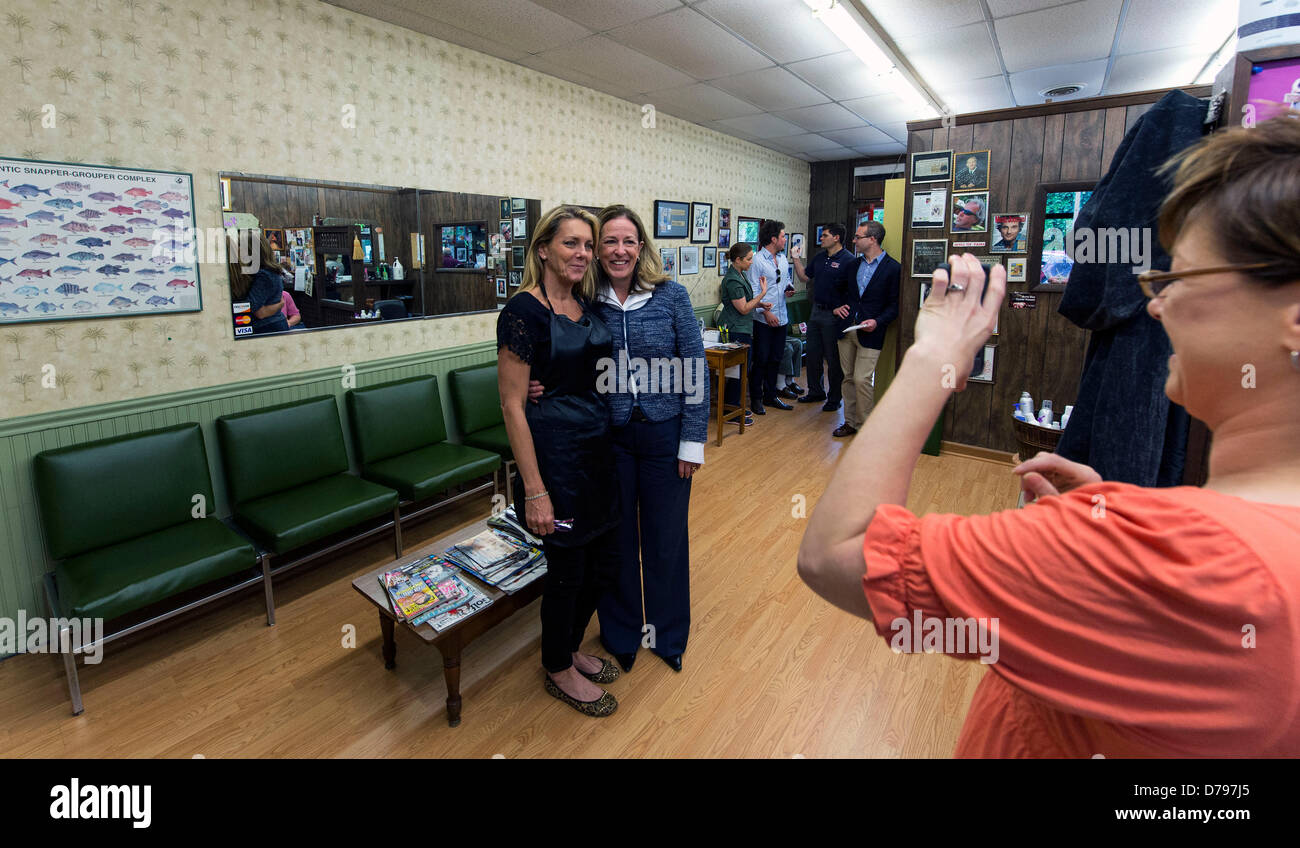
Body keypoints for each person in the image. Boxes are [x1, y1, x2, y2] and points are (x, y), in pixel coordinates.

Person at [797, 118, 1300, 756]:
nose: (1156, 305)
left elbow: (834, 555)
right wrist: (1108, 533)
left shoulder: (1173, 557)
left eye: (1183, 279)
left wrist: (934, 358)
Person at [496, 205, 622, 718]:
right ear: (544, 248)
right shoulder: (522, 312)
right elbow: (510, 403)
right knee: (567, 568)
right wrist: (535, 489)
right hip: (556, 458)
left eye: (588, 245)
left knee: (604, 563)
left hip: (598, 451)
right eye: (572, 243)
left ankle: (570, 644)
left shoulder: (587, 302)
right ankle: (556, 665)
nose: (584, 254)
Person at [584, 204, 709, 674]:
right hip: (610, 440)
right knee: (616, 540)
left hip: (665, 435)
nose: (619, 250)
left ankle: (668, 635)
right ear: (598, 250)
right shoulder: (587, 300)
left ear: (641, 248)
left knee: (665, 539)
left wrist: (692, 442)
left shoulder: (670, 296)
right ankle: (621, 635)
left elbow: (694, 370)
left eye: (628, 241)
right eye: (609, 242)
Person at [833, 221, 900, 437]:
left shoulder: (893, 268)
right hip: (846, 329)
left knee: (862, 379)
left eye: (857, 237)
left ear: (872, 239)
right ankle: (850, 422)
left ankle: (867, 427)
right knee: (848, 377)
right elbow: (839, 292)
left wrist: (877, 322)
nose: (853, 240)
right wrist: (837, 307)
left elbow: (895, 306)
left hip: (871, 332)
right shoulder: (852, 265)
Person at [791, 223, 858, 412]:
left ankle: (834, 398)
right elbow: (804, 277)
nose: (821, 238)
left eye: (825, 235)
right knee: (812, 355)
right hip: (815, 312)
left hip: (833, 315)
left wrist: (842, 308)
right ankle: (815, 391)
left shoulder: (849, 261)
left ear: (836, 238)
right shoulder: (820, 258)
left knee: (833, 359)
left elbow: (854, 291)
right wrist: (795, 258)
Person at [718, 241, 771, 423]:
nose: (751, 263)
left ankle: (732, 406)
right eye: (748, 259)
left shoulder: (740, 274)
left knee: (742, 370)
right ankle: (730, 409)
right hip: (735, 330)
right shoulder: (733, 280)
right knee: (737, 371)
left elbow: (747, 302)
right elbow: (743, 309)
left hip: (742, 328)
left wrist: (760, 304)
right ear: (738, 260)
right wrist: (762, 294)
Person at [746, 219, 793, 414]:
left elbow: (786, 280)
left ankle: (771, 395)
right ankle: (756, 398)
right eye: (783, 236)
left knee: (776, 357)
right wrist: (765, 312)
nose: (785, 239)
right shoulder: (757, 260)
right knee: (762, 358)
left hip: (782, 316)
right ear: (773, 239)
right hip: (763, 319)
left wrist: (789, 288)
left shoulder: (782, 259)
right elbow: (753, 290)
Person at [227, 230, 288, 334]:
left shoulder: (265, 275)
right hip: (269, 325)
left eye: (239, 246)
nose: (236, 250)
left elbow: (254, 308)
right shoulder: (263, 272)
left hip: (268, 328)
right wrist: (279, 305)